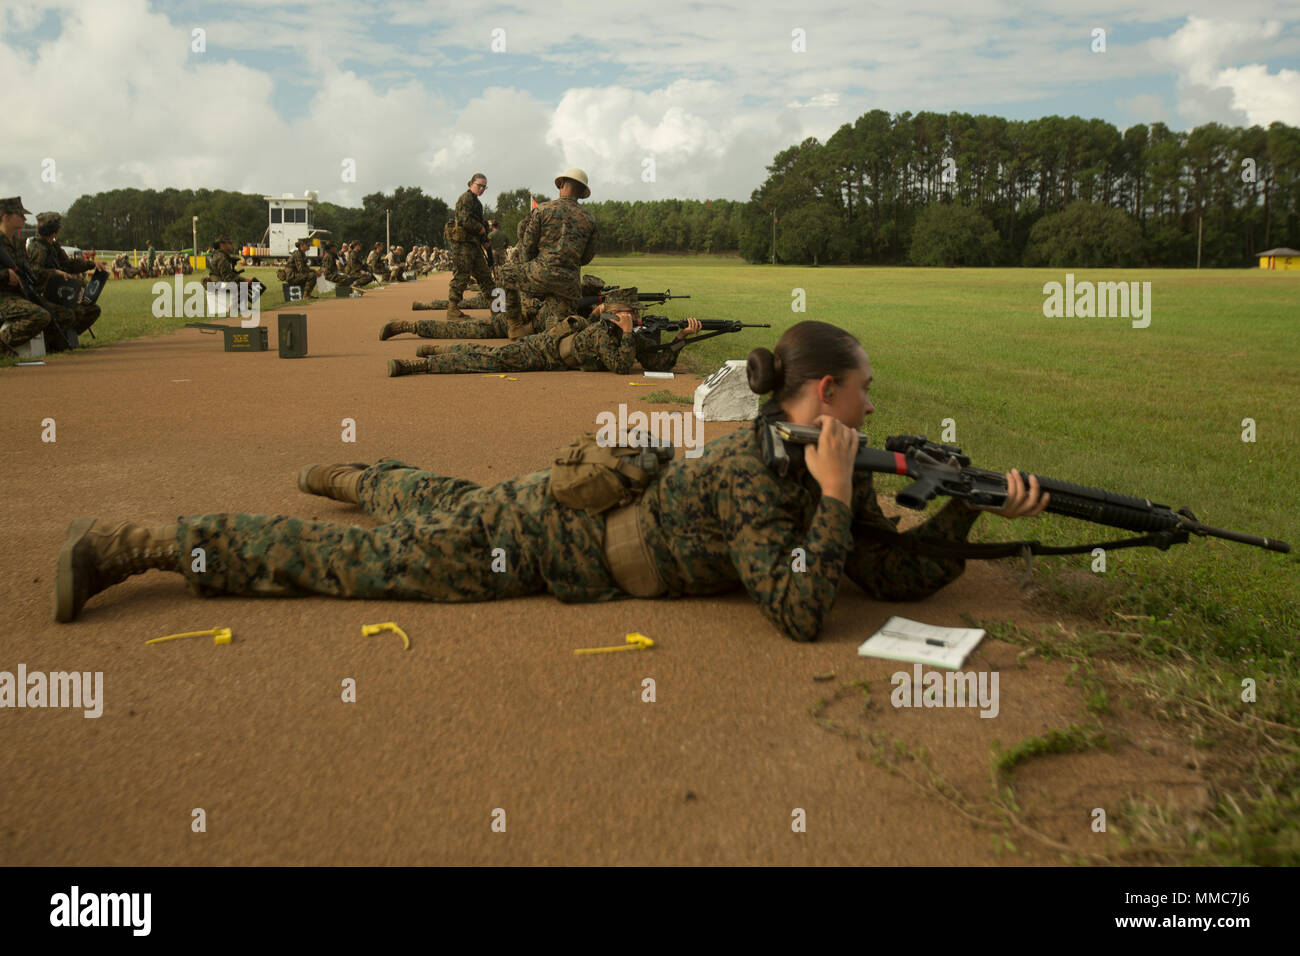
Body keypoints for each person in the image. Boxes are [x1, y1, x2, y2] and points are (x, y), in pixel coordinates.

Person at [53, 320, 1049, 641]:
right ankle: (128, 543)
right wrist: (835, 502)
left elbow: (878, 574)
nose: (874, 411)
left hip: (535, 509)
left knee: (432, 503)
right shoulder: (762, 470)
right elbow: (798, 608)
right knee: (348, 562)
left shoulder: (822, 456)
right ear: (823, 392)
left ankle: (362, 469)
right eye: (865, 394)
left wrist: (967, 507)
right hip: (540, 540)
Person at [386, 288, 702, 377]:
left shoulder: (624, 332)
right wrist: (629, 332)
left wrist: (678, 341)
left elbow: (651, 363)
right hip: (545, 350)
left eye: (634, 314)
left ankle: (436, 351)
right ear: (617, 313)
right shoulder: (607, 332)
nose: (633, 318)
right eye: (630, 313)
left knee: (492, 355)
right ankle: (421, 365)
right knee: (492, 360)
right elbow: (621, 366)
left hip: (555, 353)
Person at [496, 169, 596, 340]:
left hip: (541, 273)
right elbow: (586, 257)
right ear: (581, 192)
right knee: (558, 327)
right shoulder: (590, 219)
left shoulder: (543, 210)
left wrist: (536, 267)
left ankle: (515, 326)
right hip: (570, 284)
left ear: (562, 184)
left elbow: (527, 248)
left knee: (506, 273)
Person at [389, 274, 608, 341]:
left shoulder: (576, 311)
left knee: (460, 329)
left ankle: (410, 326)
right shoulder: (555, 301)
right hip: (513, 322)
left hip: (521, 329)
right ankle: (408, 326)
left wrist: (596, 315)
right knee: (458, 329)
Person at [27, 211, 103, 341]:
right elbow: (34, 272)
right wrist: (54, 272)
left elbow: (68, 264)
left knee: (91, 310)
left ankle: (63, 338)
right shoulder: (38, 248)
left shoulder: (53, 246)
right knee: (68, 315)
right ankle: (53, 343)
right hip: (40, 296)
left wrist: (91, 264)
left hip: (58, 293)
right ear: (55, 231)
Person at [0, 196, 53, 355]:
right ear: (6, 217)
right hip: (3, 296)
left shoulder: (18, 242)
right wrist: (4, 275)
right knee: (39, 316)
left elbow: (27, 271)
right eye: (20, 215)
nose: (24, 218)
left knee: (53, 313)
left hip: (19, 294)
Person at [445, 173, 496, 320]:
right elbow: (464, 220)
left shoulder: (477, 203)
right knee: (462, 275)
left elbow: (479, 224)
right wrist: (480, 229)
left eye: (484, 187)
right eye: (479, 185)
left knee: (485, 276)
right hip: (463, 245)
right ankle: (452, 309)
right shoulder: (466, 199)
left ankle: (496, 308)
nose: (481, 188)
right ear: (470, 184)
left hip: (474, 245)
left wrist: (484, 239)